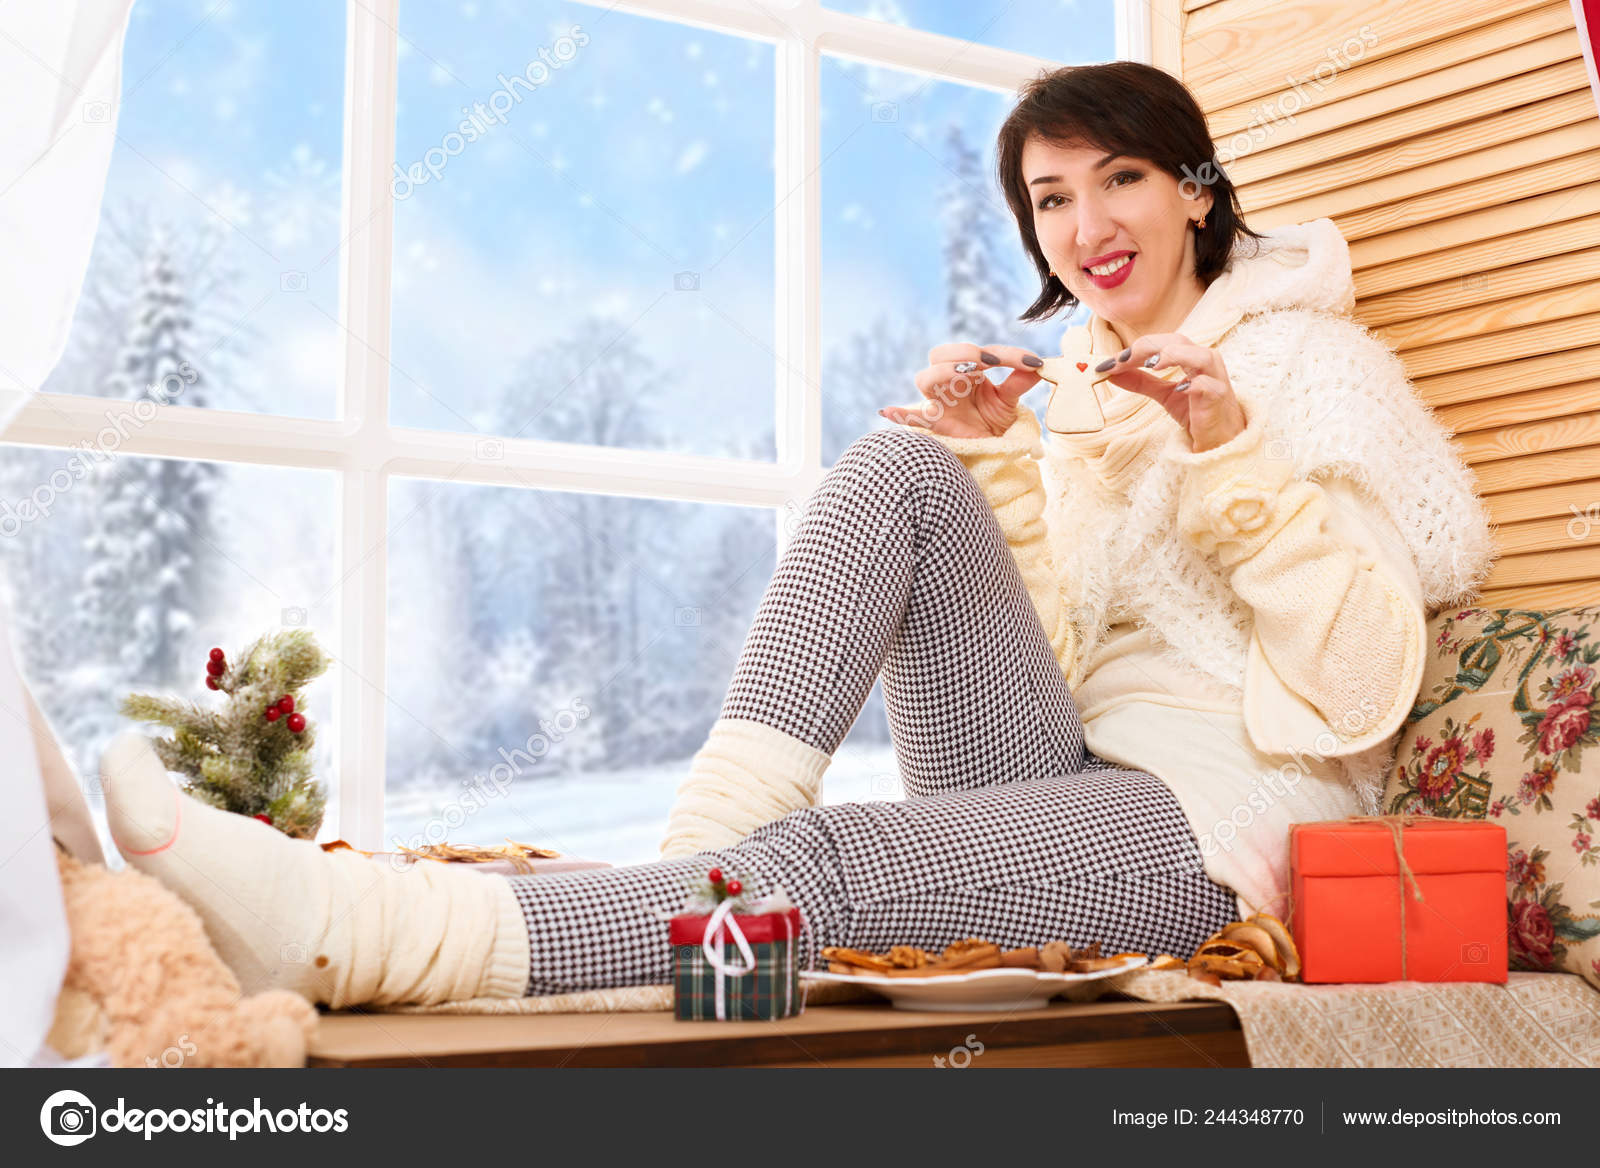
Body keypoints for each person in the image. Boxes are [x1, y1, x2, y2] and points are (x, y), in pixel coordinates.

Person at [98, 60, 1495, 1009]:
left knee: (831, 868)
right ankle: (691, 868)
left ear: (1195, 187)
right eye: (1050, 200)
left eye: (1117, 179)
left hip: (1220, 826)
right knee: (902, 466)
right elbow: (1070, 645)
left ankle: (376, 938)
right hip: (1065, 776)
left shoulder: (1312, 364)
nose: (1084, 226)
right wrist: (995, 466)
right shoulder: (1085, 389)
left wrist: (1232, 451)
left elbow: (1366, 677)